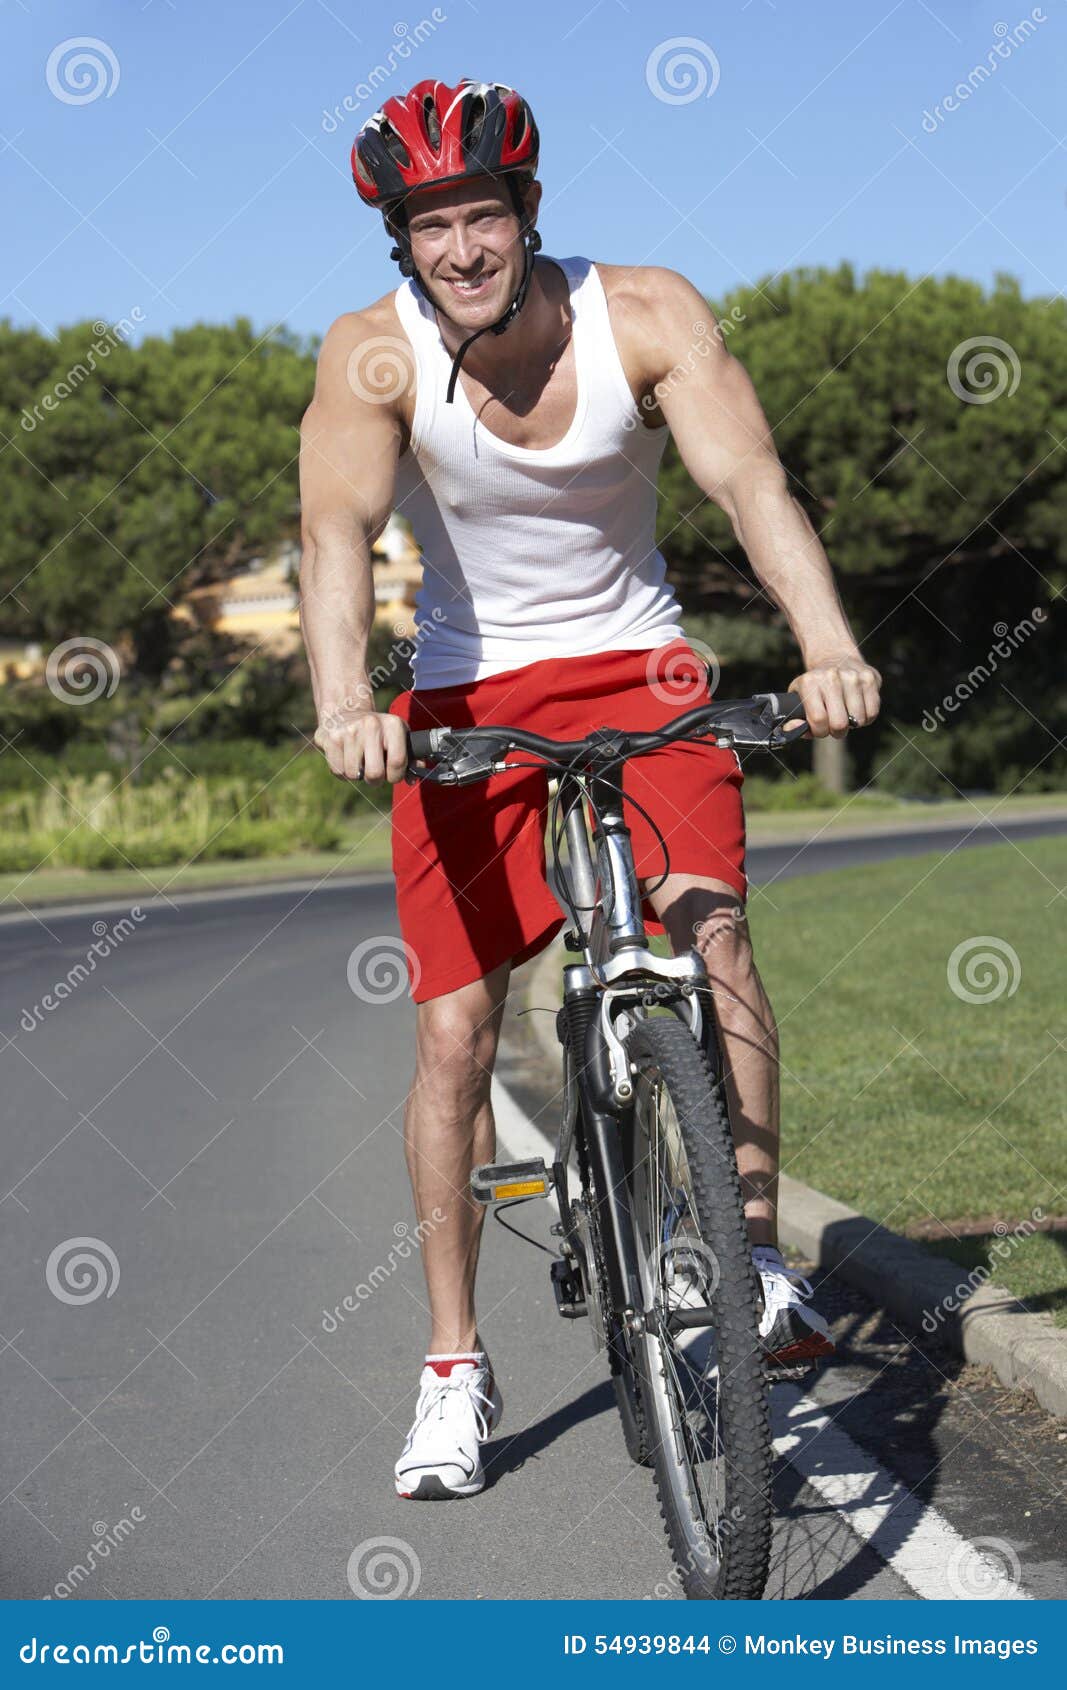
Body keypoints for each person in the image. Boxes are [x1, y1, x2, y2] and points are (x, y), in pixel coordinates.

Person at [298, 78, 881, 1502]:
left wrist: (828, 646)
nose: (460, 248)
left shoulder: (646, 314)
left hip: (645, 674)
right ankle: (452, 1364)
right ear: (400, 240)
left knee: (716, 932)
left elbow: (753, 485)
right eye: (430, 225)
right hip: (465, 694)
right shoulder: (374, 355)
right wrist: (343, 700)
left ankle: (748, 1263)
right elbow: (335, 526)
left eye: (481, 215)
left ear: (529, 212)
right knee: (454, 1036)